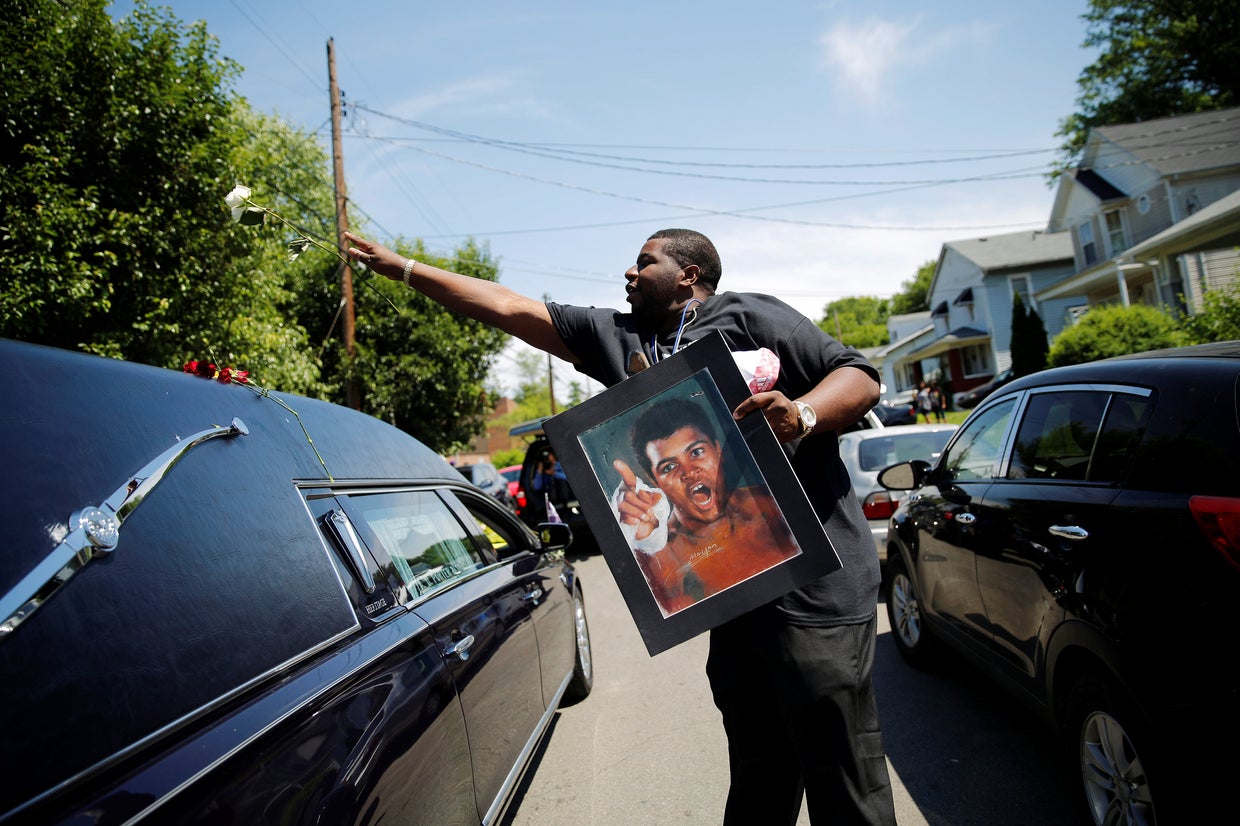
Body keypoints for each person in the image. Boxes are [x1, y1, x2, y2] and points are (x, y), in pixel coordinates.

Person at [345, 227, 896, 826]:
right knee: (760, 770)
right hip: (734, 599)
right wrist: (401, 268)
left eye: (645, 262)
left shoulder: (751, 315)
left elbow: (860, 376)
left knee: (842, 772)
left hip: (816, 588)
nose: (629, 275)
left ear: (689, 274)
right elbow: (509, 307)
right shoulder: (622, 338)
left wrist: (803, 413)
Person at [611, 396, 801, 616]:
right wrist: (638, 540)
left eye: (697, 452)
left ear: (717, 449)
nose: (689, 472)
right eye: (669, 466)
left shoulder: (770, 504)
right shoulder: (661, 555)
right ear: (655, 482)